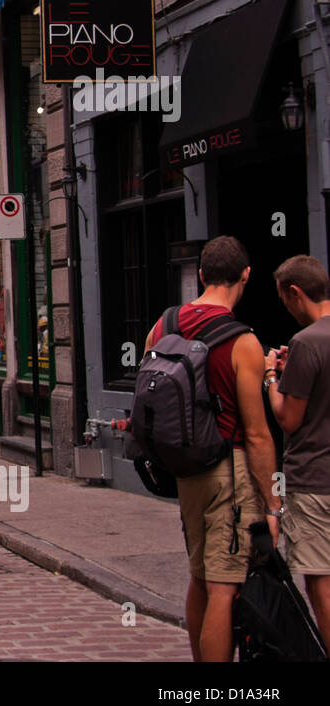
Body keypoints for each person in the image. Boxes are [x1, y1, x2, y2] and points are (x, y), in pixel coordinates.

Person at [143, 235, 278, 662]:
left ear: (201, 275)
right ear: (246, 276)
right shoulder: (244, 342)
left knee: (199, 578)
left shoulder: (163, 326)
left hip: (186, 469)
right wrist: (273, 505)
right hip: (230, 471)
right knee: (225, 585)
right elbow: (257, 433)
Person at [263, 254, 330, 646]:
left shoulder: (306, 342)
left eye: (285, 301)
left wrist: (272, 376)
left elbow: (288, 418)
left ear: (295, 293)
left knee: (320, 581)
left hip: (315, 479)